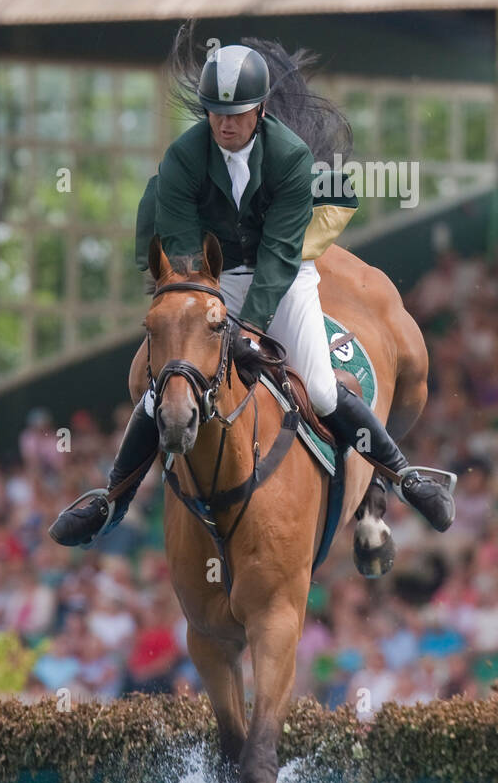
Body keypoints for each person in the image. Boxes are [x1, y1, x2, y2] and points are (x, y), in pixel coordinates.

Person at [50, 39, 455, 546]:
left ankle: (403, 477)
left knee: (324, 391)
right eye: (216, 113)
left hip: (281, 279)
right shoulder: (182, 158)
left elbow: (281, 256)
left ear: (259, 110)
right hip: (213, 283)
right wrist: (204, 307)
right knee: (160, 389)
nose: (225, 124)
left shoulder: (287, 156)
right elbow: (179, 250)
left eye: (237, 113)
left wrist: (252, 332)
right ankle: (112, 500)